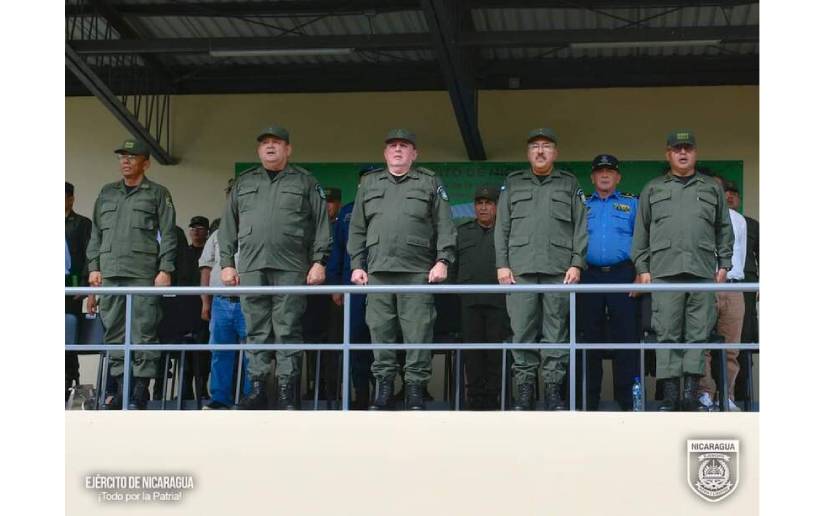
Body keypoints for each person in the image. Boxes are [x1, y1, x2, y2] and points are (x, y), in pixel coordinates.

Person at [220, 125, 330, 410]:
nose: (270, 147)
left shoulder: (305, 181)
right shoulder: (243, 183)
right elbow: (228, 226)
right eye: (265, 143)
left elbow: (321, 224)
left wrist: (319, 261)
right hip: (253, 267)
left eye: (277, 143)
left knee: (287, 328)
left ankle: (286, 390)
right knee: (256, 329)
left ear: (288, 149)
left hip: (292, 266)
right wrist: (227, 263)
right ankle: (258, 389)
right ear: (258, 150)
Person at [348, 129, 456, 410]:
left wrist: (443, 260)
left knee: (418, 333)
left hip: (417, 271)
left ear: (414, 154)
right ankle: (383, 390)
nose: (398, 150)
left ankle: (415, 391)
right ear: (385, 153)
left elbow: (445, 225)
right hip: (378, 272)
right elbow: (358, 228)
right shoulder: (369, 185)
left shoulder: (429, 181)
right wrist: (357, 265)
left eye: (404, 146)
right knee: (380, 332)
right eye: (393, 146)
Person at [631, 130, 733, 411]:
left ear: (695, 153)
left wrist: (724, 264)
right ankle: (670, 396)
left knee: (697, 334)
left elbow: (723, 228)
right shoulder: (653, 189)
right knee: (667, 334)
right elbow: (641, 233)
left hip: (702, 272)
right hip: (664, 272)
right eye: (677, 149)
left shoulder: (711, 188)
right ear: (668, 154)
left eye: (688, 148)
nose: (683, 153)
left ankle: (689, 395)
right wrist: (643, 268)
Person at [494, 128, 588, 411]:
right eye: (535, 146)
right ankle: (524, 392)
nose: (540, 151)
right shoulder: (513, 183)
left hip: (558, 269)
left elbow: (580, 227)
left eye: (546, 146)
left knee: (555, 333)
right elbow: (502, 229)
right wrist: (502, 264)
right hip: (519, 270)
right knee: (522, 331)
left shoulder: (569, 184)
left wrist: (576, 262)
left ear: (555, 153)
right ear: (528, 153)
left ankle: (552, 392)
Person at [86, 139, 177, 409]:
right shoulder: (106, 193)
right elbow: (96, 234)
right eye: (122, 156)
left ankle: (140, 389)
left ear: (145, 163)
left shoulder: (158, 193)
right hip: (111, 274)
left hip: (143, 274)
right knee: (114, 331)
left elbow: (169, 234)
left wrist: (165, 269)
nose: (125, 161)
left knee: (143, 332)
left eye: (132, 156)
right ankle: (122, 386)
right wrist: (94, 268)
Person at [577, 154, 641, 411]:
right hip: (588, 275)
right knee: (588, 340)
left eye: (610, 171)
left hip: (624, 275)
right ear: (592, 177)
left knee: (626, 340)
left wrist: (640, 273)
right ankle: (587, 402)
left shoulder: (632, 204)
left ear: (618, 177)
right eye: (600, 171)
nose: (605, 175)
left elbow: (643, 240)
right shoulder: (582, 206)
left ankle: (628, 403)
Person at [454, 185, 509, 410]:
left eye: (488, 203)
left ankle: (493, 396)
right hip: (469, 302)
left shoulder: (507, 232)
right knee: (472, 352)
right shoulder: (462, 231)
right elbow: (453, 266)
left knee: (496, 352)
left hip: (499, 302)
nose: (483, 207)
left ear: (497, 206)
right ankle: (475, 397)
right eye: (479, 203)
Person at [328, 167, 378, 409]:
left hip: (383, 286)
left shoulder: (389, 207)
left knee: (383, 340)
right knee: (356, 340)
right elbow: (337, 251)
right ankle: (362, 395)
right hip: (354, 287)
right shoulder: (347, 212)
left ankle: (383, 393)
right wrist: (336, 286)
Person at [200, 180, 251, 409]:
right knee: (220, 353)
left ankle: (251, 398)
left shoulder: (256, 231)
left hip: (250, 302)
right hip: (221, 302)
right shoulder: (217, 235)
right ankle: (220, 399)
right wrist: (205, 301)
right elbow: (206, 268)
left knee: (253, 355)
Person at [698, 177, 746, 411]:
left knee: (731, 348)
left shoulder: (738, 219)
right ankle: (705, 394)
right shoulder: (697, 215)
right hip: (705, 285)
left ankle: (726, 396)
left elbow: (741, 256)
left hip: (733, 286)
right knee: (702, 346)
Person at [65, 181, 92, 399]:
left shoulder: (82, 223)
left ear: (71, 198)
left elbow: (88, 255)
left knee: (68, 332)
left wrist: (83, 285)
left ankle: (69, 379)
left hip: (71, 282)